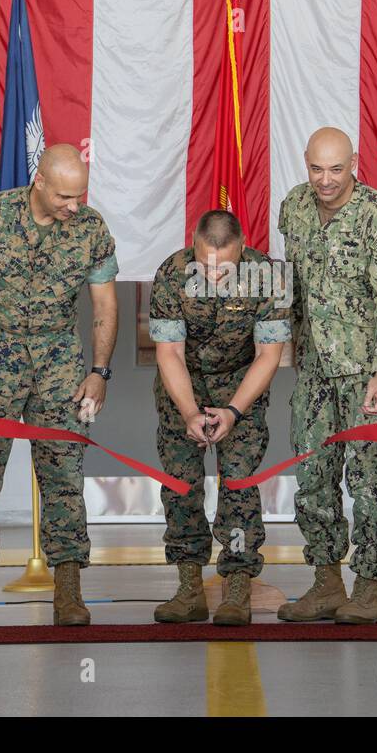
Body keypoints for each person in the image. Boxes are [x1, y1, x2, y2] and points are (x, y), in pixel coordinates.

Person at [0, 144, 118, 627]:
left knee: (64, 474)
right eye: (65, 196)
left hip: (58, 355)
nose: (74, 206)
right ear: (38, 182)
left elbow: (104, 307)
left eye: (80, 195)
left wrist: (99, 373)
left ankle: (68, 589)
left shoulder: (91, 228)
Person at [275, 126, 377, 625]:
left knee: (370, 482)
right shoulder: (293, 208)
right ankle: (327, 583)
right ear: (305, 163)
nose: (326, 180)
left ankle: (369, 588)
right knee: (313, 477)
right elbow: (291, 284)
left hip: (368, 373)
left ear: (354, 164)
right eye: (317, 168)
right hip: (316, 370)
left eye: (336, 169)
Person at [149, 210, 290, 625]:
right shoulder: (171, 274)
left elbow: (269, 356)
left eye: (224, 267)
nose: (213, 275)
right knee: (181, 485)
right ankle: (189, 587)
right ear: (193, 244)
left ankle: (237, 587)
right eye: (206, 265)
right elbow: (169, 352)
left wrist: (232, 411)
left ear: (242, 249)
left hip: (241, 385)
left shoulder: (269, 277)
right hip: (182, 387)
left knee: (238, 485)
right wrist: (190, 411)